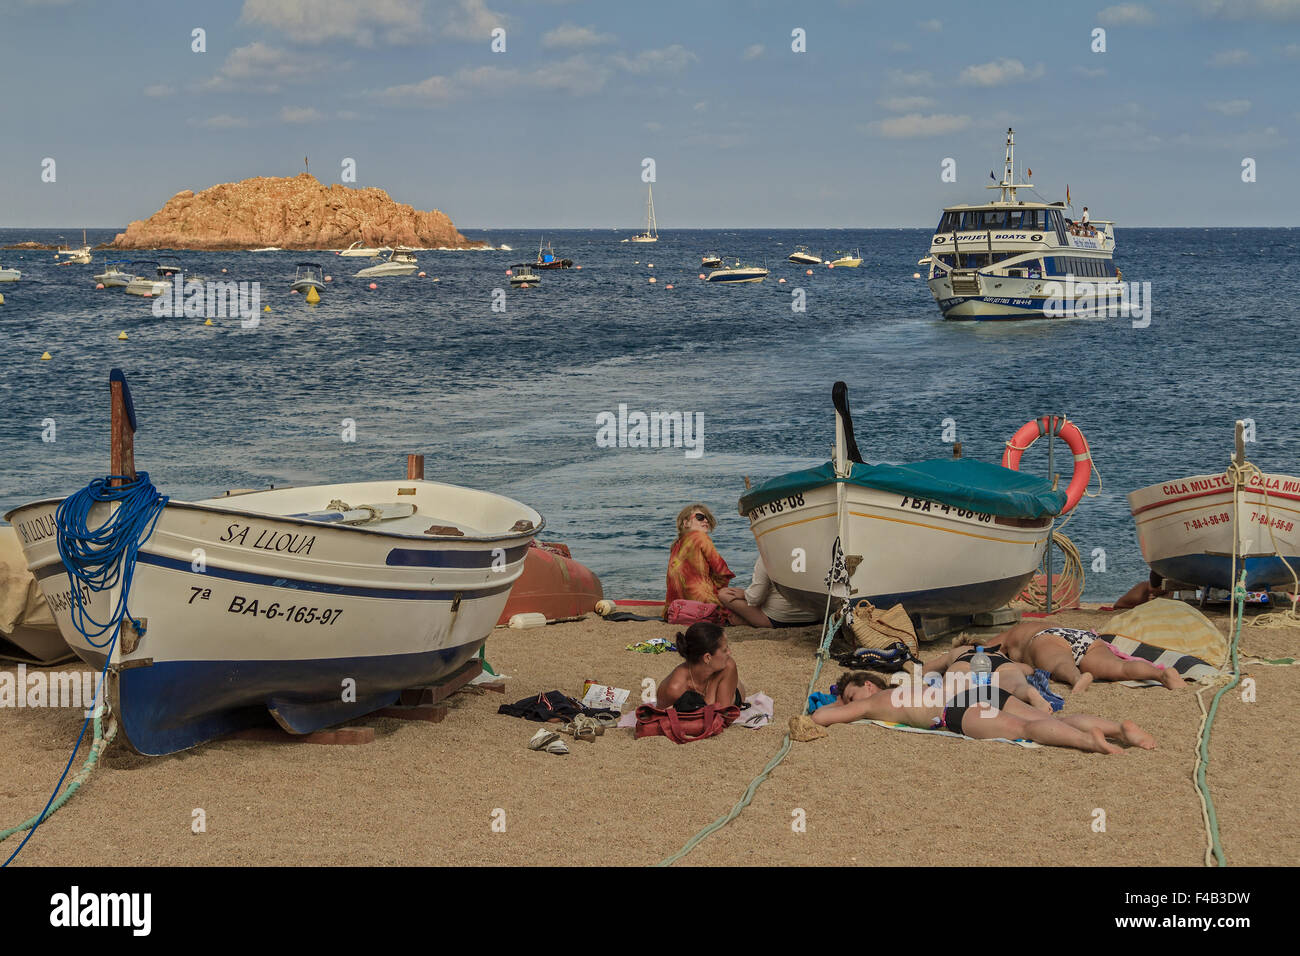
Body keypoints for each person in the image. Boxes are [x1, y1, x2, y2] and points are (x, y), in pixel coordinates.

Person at [809, 671, 1156, 754]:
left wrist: (840, 708)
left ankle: (1092, 742)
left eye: (852, 696)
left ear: (869, 685)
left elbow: (820, 719)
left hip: (955, 709)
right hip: (976, 690)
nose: (852, 705)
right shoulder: (911, 683)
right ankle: (1119, 730)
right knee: (1047, 721)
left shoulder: (872, 701)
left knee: (1026, 730)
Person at [986, 620, 1186, 692]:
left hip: (1047, 638)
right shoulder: (1031, 625)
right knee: (1119, 667)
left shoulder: (1007, 636)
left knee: (1059, 664)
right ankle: (1162, 675)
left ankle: (1077, 678)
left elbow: (980, 651)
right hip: (1082, 635)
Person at [923, 642, 1052, 712]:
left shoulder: (959, 650)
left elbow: (926, 670)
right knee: (1016, 687)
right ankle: (1030, 693)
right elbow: (1028, 669)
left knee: (952, 689)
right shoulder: (996, 651)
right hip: (1001, 664)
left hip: (967, 661)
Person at [655, 622, 743, 711]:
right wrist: (713, 687)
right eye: (725, 650)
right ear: (707, 658)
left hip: (733, 691)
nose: (729, 652)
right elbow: (659, 718)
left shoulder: (726, 665)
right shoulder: (674, 689)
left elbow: (724, 714)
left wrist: (714, 684)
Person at [664, 503, 735, 611]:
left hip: (673, 609)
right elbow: (722, 571)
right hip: (702, 605)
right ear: (686, 523)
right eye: (700, 517)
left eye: (707, 518)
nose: (705, 520)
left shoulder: (676, 545)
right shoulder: (700, 537)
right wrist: (715, 588)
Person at [718, 556, 820, 629]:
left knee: (724, 594)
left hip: (778, 620)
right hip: (815, 618)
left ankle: (746, 621)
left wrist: (745, 594)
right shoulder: (815, 554)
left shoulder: (768, 556)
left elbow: (755, 599)